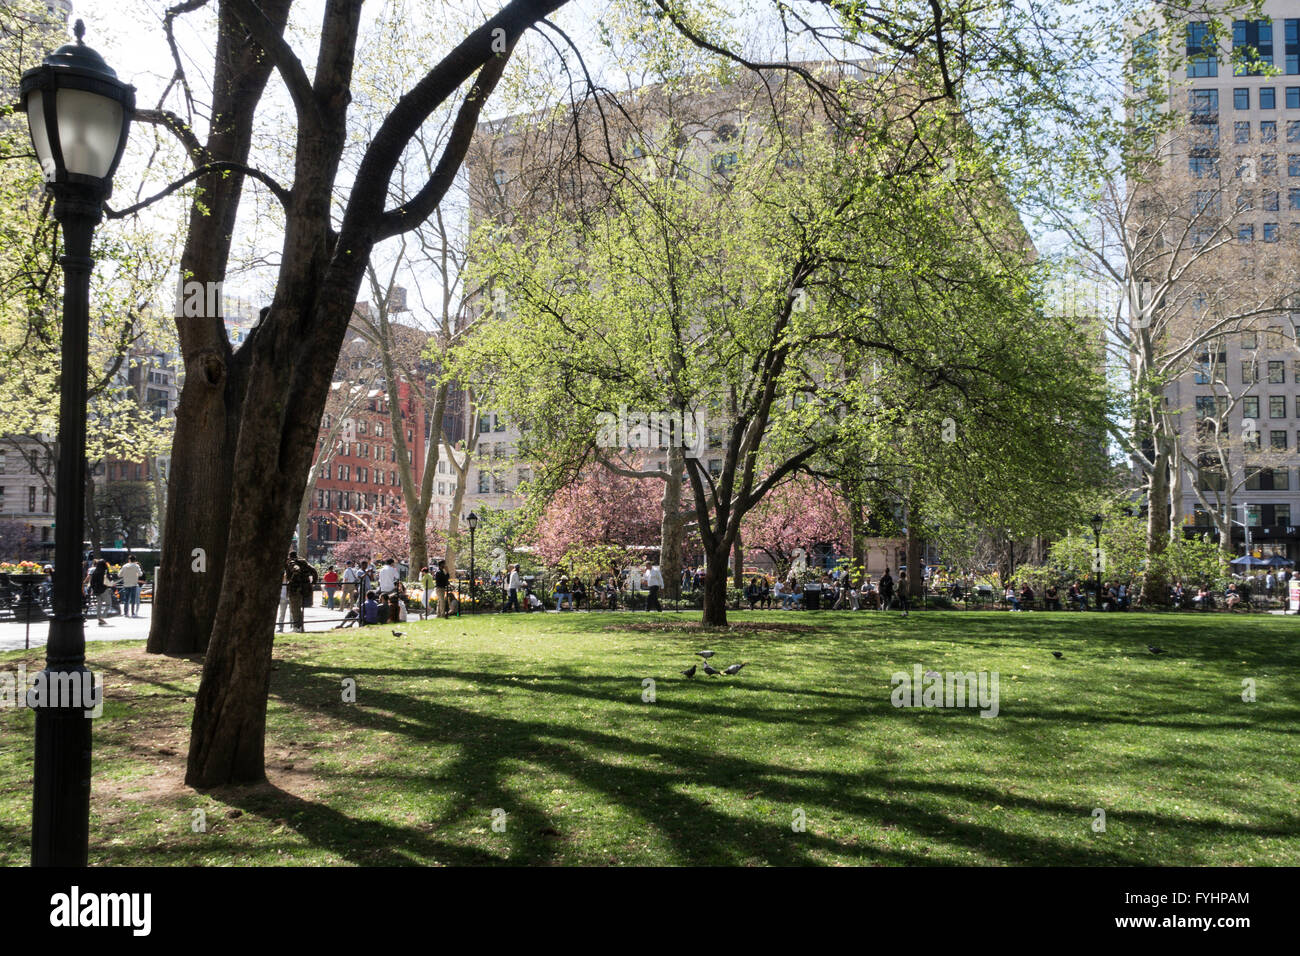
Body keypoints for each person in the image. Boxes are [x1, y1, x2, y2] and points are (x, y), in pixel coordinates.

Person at [285, 552, 309, 632]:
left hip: (294, 589)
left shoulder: (292, 562)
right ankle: (301, 627)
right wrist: (312, 583)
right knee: (299, 608)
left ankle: (297, 627)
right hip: (302, 588)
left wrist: (290, 581)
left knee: (294, 609)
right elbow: (314, 572)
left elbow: (296, 569)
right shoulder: (303, 562)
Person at [86, 557, 112, 626]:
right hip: (104, 589)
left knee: (99, 605)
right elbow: (109, 579)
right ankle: (102, 617)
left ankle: (99, 618)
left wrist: (93, 589)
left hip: (96, 591)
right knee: (108, 604)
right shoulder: (105, 571)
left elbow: (92, 582)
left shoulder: (95, 572)